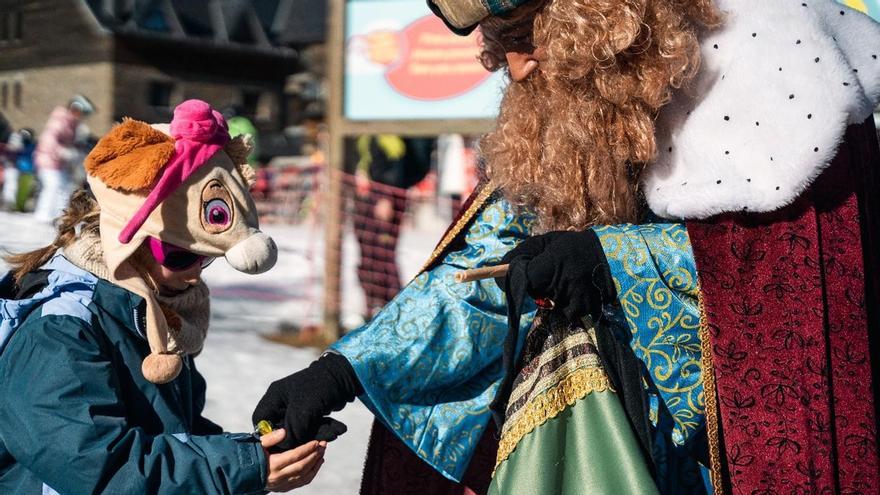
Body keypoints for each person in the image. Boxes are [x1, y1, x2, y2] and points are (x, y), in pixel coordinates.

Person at [254, 1, 880, 494]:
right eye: (501, 44)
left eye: (526, 32)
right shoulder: (576, 113)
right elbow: (488, 268)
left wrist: (615, 261)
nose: (517, 67)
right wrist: (344, 370)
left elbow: (790, 288)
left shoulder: (778, 73)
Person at [0, 100, 325, 493]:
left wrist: (261, 448)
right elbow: (100, 467)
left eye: (208, 258)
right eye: (181, 253)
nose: (194, 273)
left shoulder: (151, 307)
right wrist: (238, 468)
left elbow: (171, 427)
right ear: (128, 237)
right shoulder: (60, 330)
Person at [351, 134, 431, 318]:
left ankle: (391, 306)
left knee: (382, 254)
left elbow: (394, 163)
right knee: (368, 252)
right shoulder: (369, 131)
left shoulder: (388, 133)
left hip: (383, 197)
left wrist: (385, 196)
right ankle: (372, 303)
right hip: (370, 195)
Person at [32, 95, 94, 223]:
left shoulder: (72, 123)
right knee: (53, 186)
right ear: (75, 108)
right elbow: (49, 140)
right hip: (48, 160)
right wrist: (62, 152)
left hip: (59, 163)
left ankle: (59, 216)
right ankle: (43, 217)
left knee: (65, 188)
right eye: (82, 112)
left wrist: (80, 150)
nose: (82, 115)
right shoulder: (59, 120)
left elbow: (71, 142)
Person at [1, 128, 36, 212]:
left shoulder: (32, 146)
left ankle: (19, 205)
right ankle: (8, 202)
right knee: (11, 183)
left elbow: (32, 157)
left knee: (23, 189)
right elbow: (8, 153)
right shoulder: (14, 141)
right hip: (13, 167)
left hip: (27, 171)